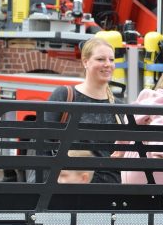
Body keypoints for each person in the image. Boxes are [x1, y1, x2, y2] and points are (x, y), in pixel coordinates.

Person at [44, 36, 122, 184]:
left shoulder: (119, 107)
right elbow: (43, 147)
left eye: (111, 60)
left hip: (110, 195)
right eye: (100, 59)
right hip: (69, 194)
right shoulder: (65, 96)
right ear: (85, 62)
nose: (108, 64)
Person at [112, 67, 163, 184]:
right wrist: (158, 154)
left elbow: (127, 128)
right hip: (150, 168)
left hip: (130, 163)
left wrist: (119, 149)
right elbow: (160, 129)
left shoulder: (147, 102)